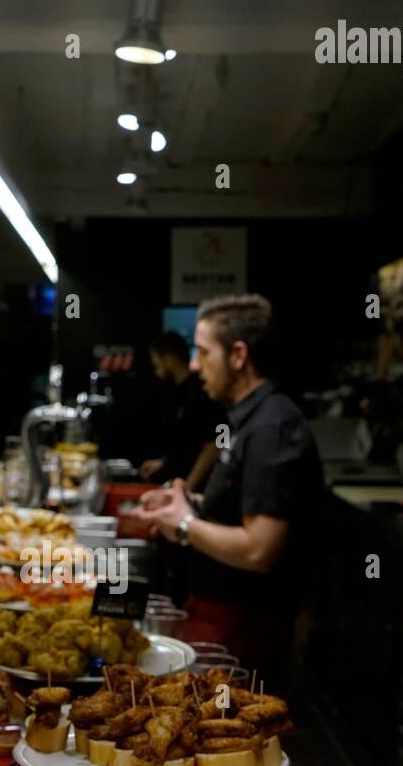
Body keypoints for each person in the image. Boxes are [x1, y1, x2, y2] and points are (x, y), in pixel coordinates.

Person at [132, 295, 322, 688]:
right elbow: (241, 508)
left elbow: (259, 548)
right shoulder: (248, 418)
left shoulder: (273, 426)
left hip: (245, 625)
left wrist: (184, 524)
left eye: (203, 352)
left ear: (238, 355)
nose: (196, 365)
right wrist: (189, 503)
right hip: (217, 611)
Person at [139, 331, 222, 491]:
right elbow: (186, 443)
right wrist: (166, 463)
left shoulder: (202, 393)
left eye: (157, 364)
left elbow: (215, 444)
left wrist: (187, 489)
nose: (197, 365)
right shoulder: (174, 393)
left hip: (198, 492)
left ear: (169, 359)